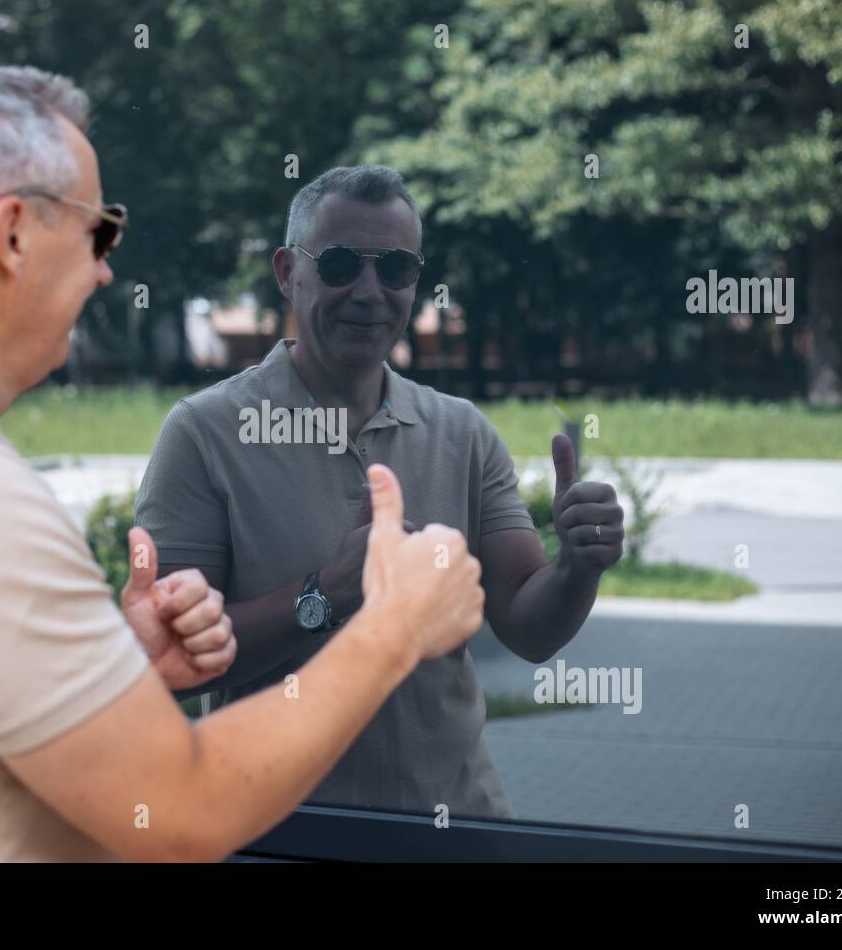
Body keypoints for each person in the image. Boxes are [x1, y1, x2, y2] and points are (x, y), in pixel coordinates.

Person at [0, 67, 486, 862]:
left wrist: (121, 670)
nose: (104, 270)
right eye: (99, 230)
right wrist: (395, 625)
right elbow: (183, 812)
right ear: (13, 232)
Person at [136, 165, 625, 818]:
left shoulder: (463, 432)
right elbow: (173, 658)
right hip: (281, 832)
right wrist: (326, 594)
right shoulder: (205, 432)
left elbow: (530, 629)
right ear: (287, 272)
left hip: (458, 823)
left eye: (394, 269)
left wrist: (576, 567)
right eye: (339, 264)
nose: (369, 291)